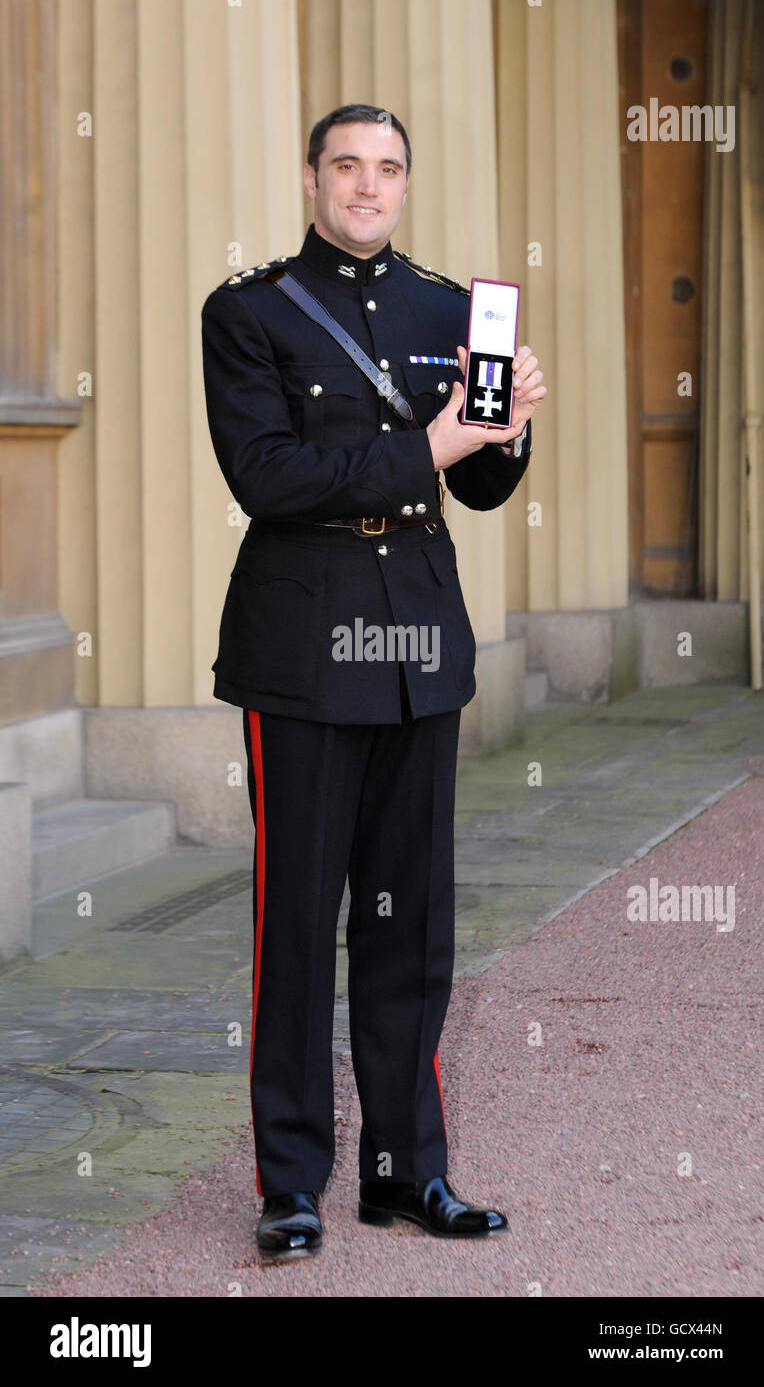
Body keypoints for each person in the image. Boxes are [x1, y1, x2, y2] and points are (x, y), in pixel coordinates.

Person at [201, 103, 547, 1259]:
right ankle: (291, 1182)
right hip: (300, 652)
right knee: (298, 924)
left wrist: (506, 430)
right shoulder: (246, 312)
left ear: (404, 184)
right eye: (345, 165)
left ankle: (404, 1173)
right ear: (310, 178)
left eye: (386, 168)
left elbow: (481, 489)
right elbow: (267, 476)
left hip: (414, 652)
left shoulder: (446, 309)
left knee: (410, 927)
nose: (366, 185)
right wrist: (436, 445)